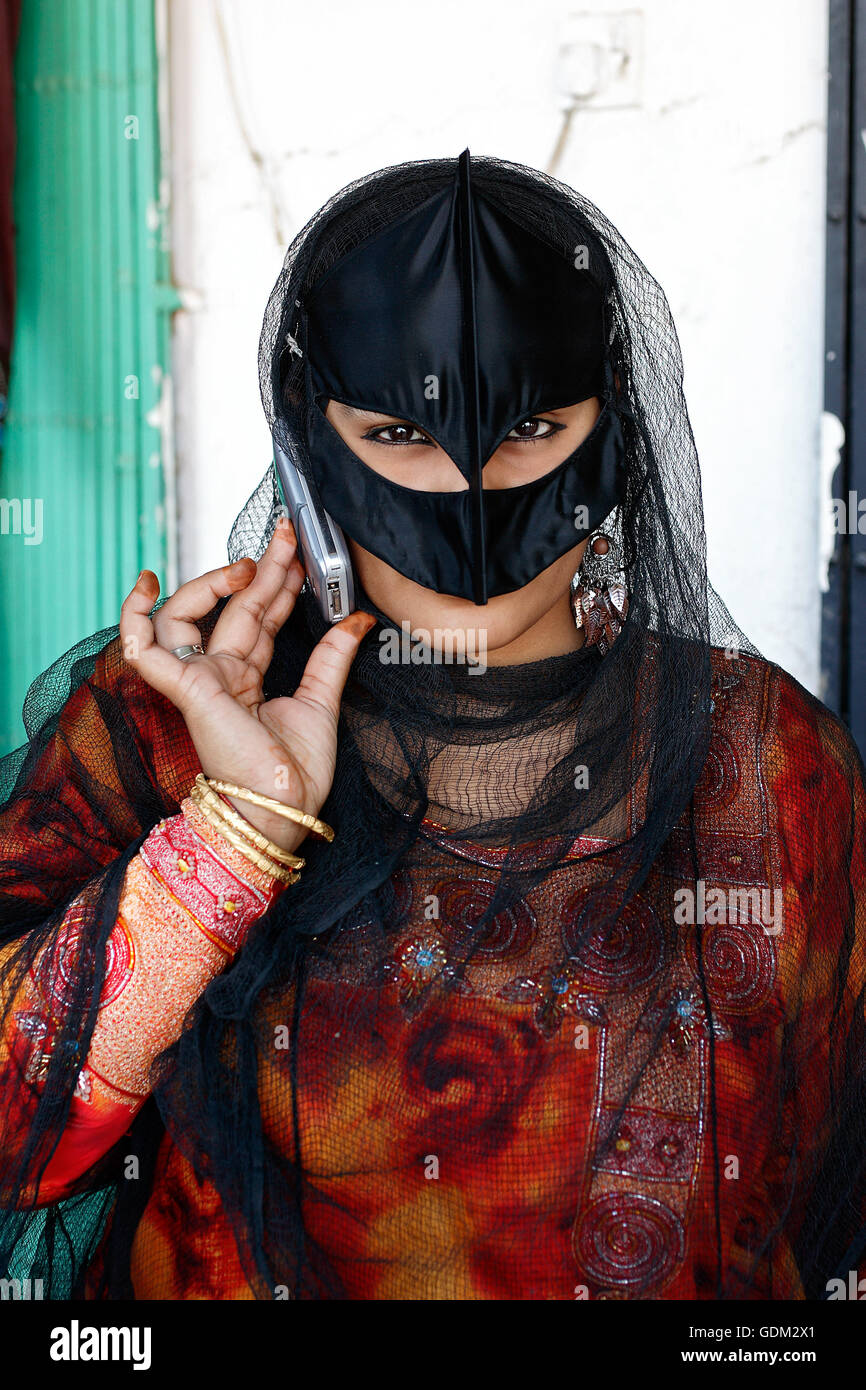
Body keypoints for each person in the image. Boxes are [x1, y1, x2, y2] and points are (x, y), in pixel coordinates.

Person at [1, 152, 864, 1302]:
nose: (467, 503)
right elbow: (17, 1143)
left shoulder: (762, 760)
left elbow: (827, 1193)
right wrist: (235, 836)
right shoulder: (173, 724)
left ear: (609, 430)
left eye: (530, 428)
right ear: (316, 445)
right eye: (400, 439)